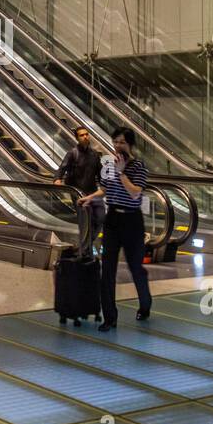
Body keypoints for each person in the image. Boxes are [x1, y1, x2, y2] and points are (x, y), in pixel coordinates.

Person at [77, 127, 151, 330]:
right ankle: (109, 317)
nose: (118, 146)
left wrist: (122, 174)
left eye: (122, 142)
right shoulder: (108, 165)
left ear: (130, 144)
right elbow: (105, 189)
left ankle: (145, 305)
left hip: (132, 222)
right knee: (107, 270)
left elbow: (136, 193)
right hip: (113, 220)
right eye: (115, 142)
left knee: (136, 268)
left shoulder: (139, 167)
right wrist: (90, 198)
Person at [56, 126, 104, 256]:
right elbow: (63, 167)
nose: (85, 137)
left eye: (87, 134)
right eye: (82, 135)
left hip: (92, 191)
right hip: (78, 192)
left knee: (100, 218)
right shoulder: (73, 153)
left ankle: (85, 246)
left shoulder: (94, 154)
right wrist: (58, 179)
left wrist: (105, 183)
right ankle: (85, 252)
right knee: (85, 221)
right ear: (77, 138)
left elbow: (99, 172)